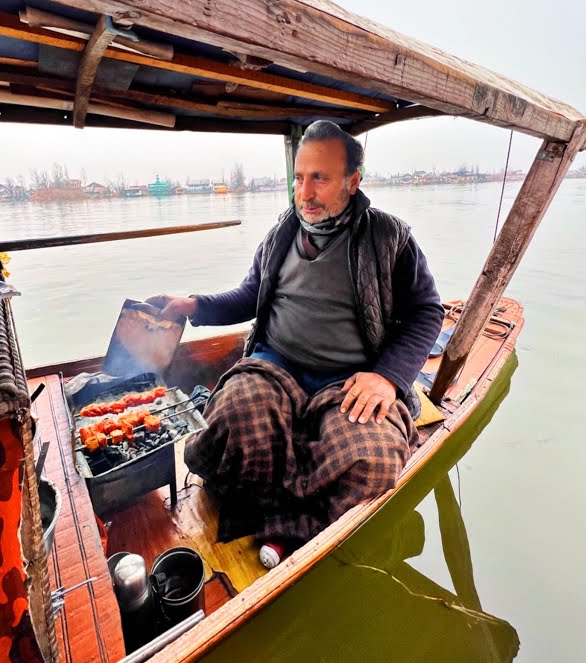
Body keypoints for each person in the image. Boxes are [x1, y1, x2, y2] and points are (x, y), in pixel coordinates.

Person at [148, 120, 444, 567]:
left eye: (320, 178)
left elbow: (427, 312)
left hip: (350, 381)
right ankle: (297, 512)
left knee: (376, 459)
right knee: (232, 417)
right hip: (276, 366)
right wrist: (193, 305)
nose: (304, 192)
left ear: (353, 181)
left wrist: (388, 378)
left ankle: (289, 528)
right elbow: (249, 296)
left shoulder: (390, 238)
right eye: (299, 177)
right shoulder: (282, 232)